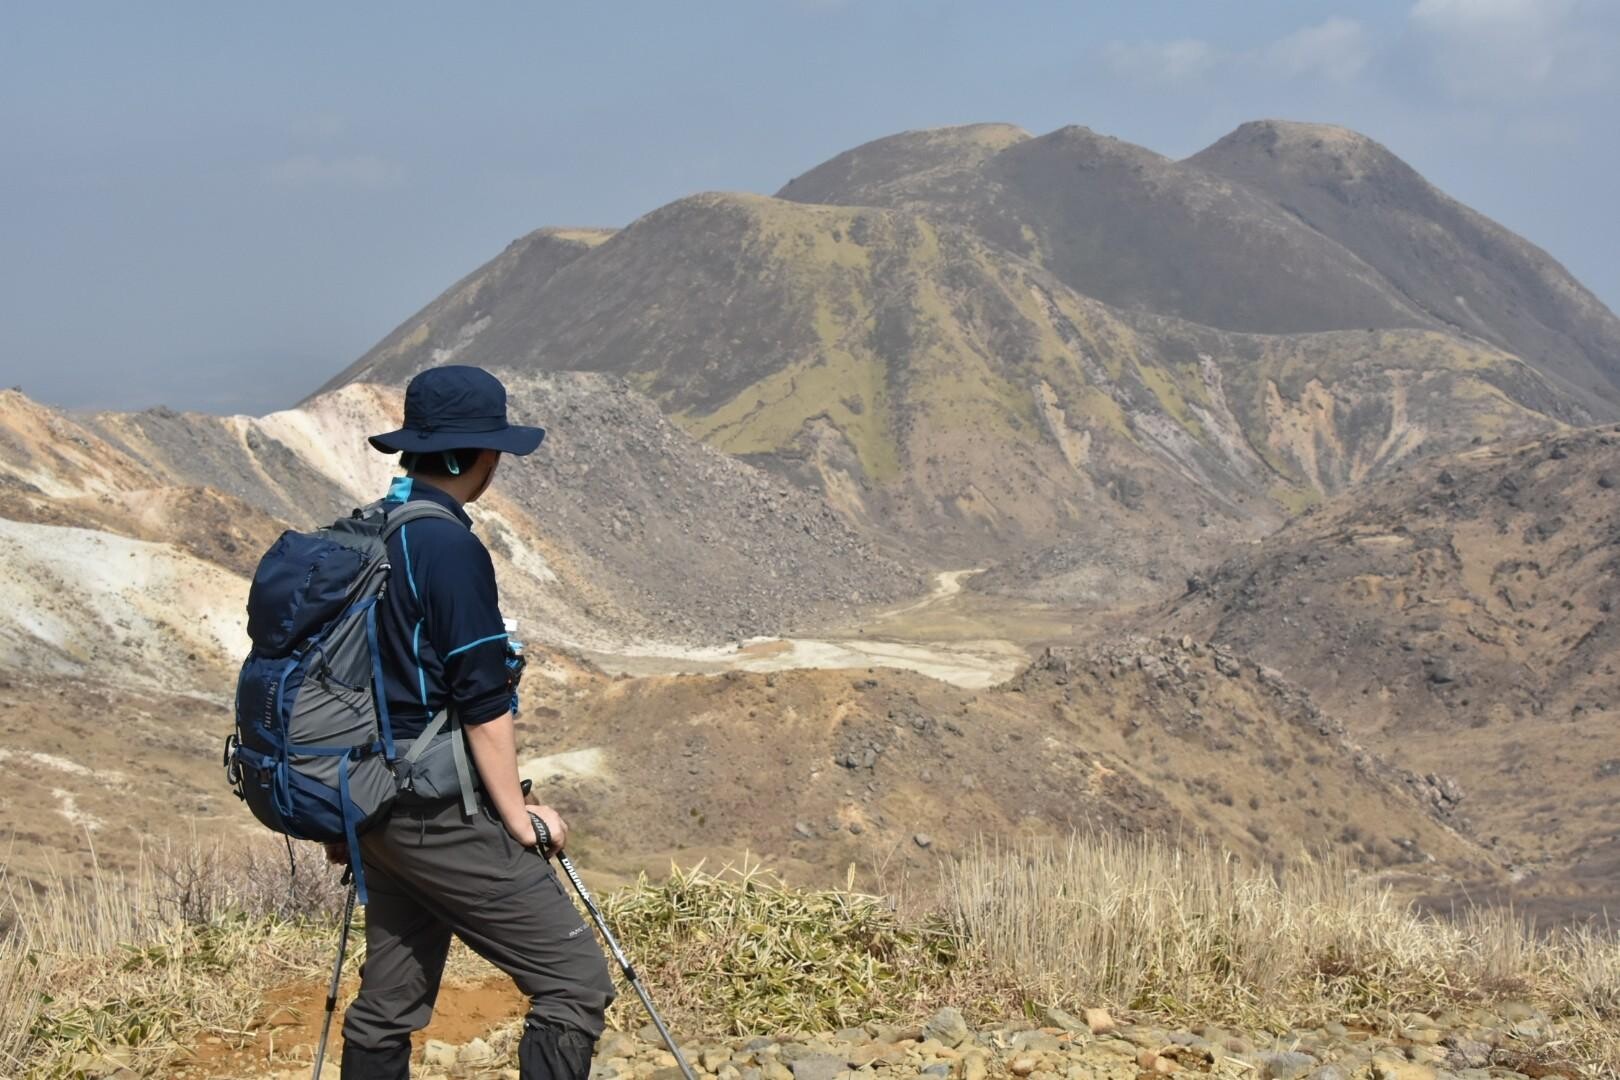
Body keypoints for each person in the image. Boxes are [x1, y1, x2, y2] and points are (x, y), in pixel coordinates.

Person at [335, 364, 614, 1080]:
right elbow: (483, 703)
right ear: (480, 456)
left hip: (372, 804)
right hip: (435, 811)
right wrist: (519, 818)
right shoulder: (448, 548)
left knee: (388, 1002)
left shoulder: (372, 531)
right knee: (574, 981)